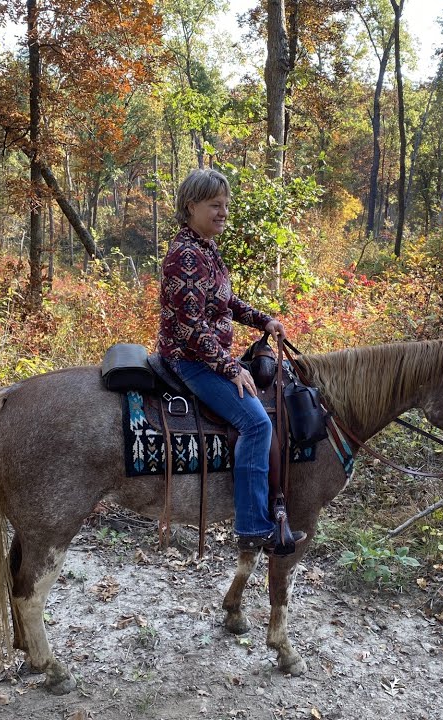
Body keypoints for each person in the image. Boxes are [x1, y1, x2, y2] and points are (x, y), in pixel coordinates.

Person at [157, 168, 305, 552]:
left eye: (225, 205)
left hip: (207, 355)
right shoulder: (186, 255)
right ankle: (254, 526)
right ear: (191, 206)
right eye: (214, 205)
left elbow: (226, 302)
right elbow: (191, 327)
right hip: (190, 360)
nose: (223, 212)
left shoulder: (205, 248)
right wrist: (230, 367)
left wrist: (263, 320)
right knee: (256, 424)